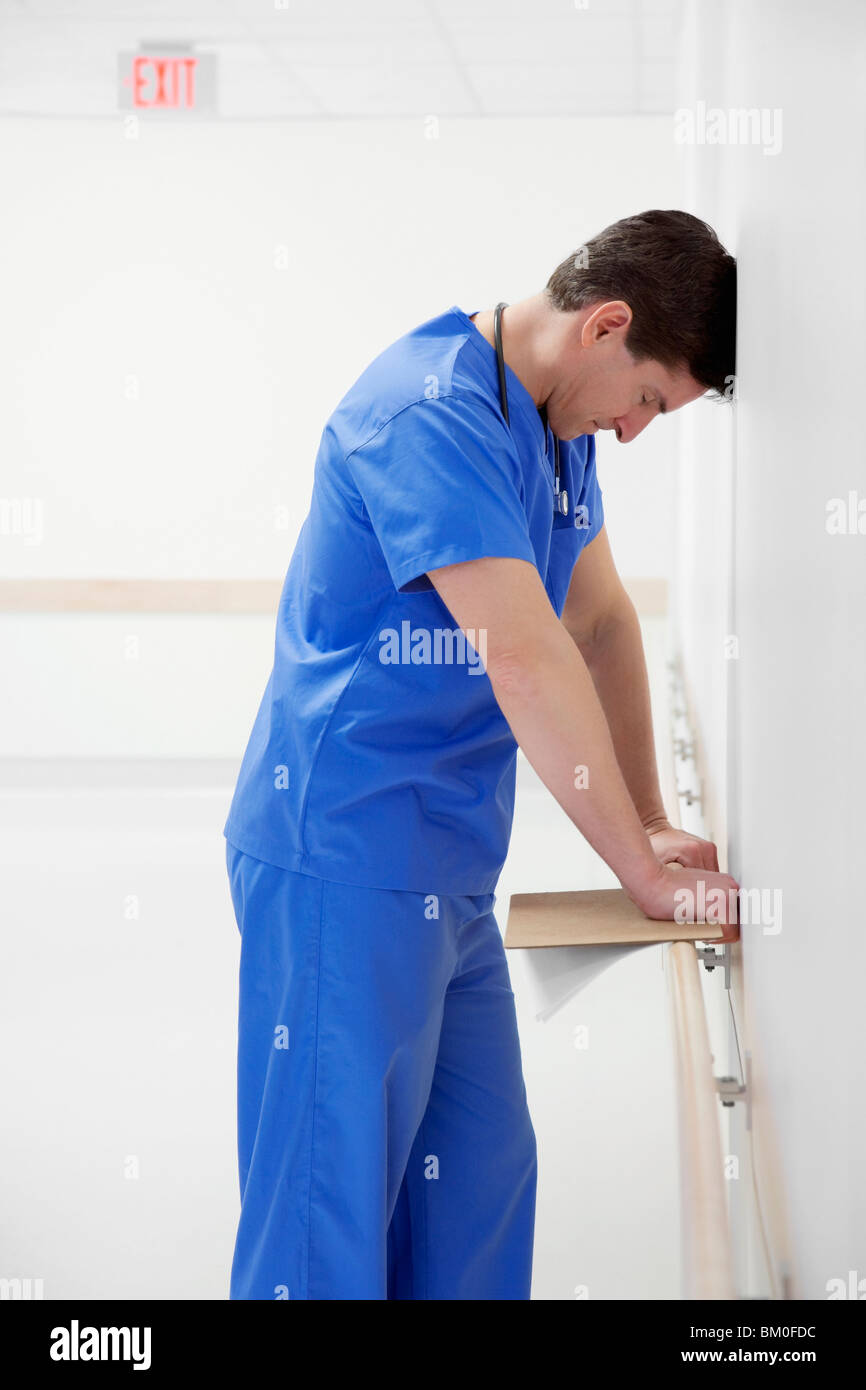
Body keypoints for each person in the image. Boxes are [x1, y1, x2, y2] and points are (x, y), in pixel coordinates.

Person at [223, 208, 740, 1300]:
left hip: (449, 869)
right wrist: (637, 873)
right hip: (344, 855)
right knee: (329, 1215)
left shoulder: (553, 430)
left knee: (477, 1186)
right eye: (648, 399)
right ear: (606, 326)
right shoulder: (429, 411)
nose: (637, 430)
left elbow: (598, 625)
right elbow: (523, 653)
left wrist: (645, 818)